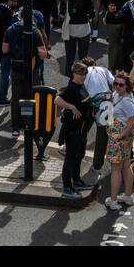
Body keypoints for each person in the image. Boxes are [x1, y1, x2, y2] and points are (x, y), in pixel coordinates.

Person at [56, 62, 93, 196]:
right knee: (70, 159)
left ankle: (76, 180)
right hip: (73, 131)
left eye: (84, 74)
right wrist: (71, 107)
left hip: (82, 129)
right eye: (80, 74)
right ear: (74, 74)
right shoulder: (71, 88)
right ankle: (67, 187)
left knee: (79, 156)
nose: (83, 76)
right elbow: (57, 100)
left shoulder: (81, 86)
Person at [104, 72, 134, 211]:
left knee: (115, 169)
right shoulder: (118, 95)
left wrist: (121, 135)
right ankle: (128, 196)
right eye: (115, 83)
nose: (117, 86)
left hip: (118, 139)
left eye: (121, 84)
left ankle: (113, 200)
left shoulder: (126, 100)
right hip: (121, 138)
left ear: (127, 86)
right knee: (126, 165)